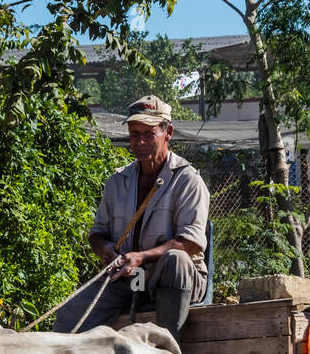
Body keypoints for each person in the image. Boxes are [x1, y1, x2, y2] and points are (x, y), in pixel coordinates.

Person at [53, 95, 210, 341]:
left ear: (167, 132)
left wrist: (141, 257)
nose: (140, 141)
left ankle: (170, 352)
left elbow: (190, 243)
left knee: (175, 259)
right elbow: (97, 233)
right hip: (129, 280)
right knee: (71, 312)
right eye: (134, 134)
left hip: (175, 280)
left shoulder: (187, 180)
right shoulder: (118, 181)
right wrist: (105, 249)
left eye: (149, 133)